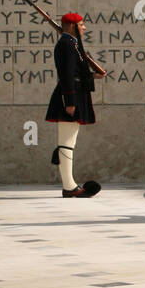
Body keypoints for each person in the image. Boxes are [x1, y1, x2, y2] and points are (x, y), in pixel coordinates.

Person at [44, 12, 104, 198]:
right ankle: (69, 186)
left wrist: (93, 75)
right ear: (71, 26)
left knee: (68, 141)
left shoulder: (72, 44)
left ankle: (69, 185)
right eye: (81, 24)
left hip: (76, 92)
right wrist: (69, 102)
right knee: (67, 142)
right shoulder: (67, 44)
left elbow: (76, 72)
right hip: (70, 96)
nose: (84, 27)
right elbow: (67, 74)